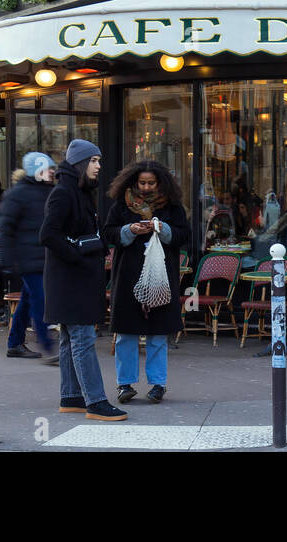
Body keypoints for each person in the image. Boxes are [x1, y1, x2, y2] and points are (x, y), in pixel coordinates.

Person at [40, 140, 126, 422]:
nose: (99, 166)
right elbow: (48, 234)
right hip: (71, 280)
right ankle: (96, 401)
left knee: (69, 339)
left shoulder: (77, 191)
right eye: (94, 161)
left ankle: (71, 396)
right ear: (80, 163)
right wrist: (78, 256)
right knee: (83, 340)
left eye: (99, 161)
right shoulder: (64, 192)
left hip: (72, 280)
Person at [103, 161, 189, 405]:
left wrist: (163, 229)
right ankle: (124, 383)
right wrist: (129, 230)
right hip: (128, 274)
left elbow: (184, 235)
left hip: (160, 275)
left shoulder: (173, 207)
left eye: (151, 183)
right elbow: (108, 233)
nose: (146, 187)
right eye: (142, 183)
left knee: (158, 334)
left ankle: (157, 384)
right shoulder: (121, 205)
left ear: (161, 182)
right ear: (133, 181)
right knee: (125, 333)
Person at [0, 152, 58, 362]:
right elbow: (5, 229)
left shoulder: (49, 191)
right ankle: (48, 346)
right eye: (49, 168)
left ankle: (14, 343)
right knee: (41, 300)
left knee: (28, 299)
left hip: (42, 256)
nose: (52, 172)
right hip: (28, 258)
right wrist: (6, 260)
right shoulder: (18, 194)